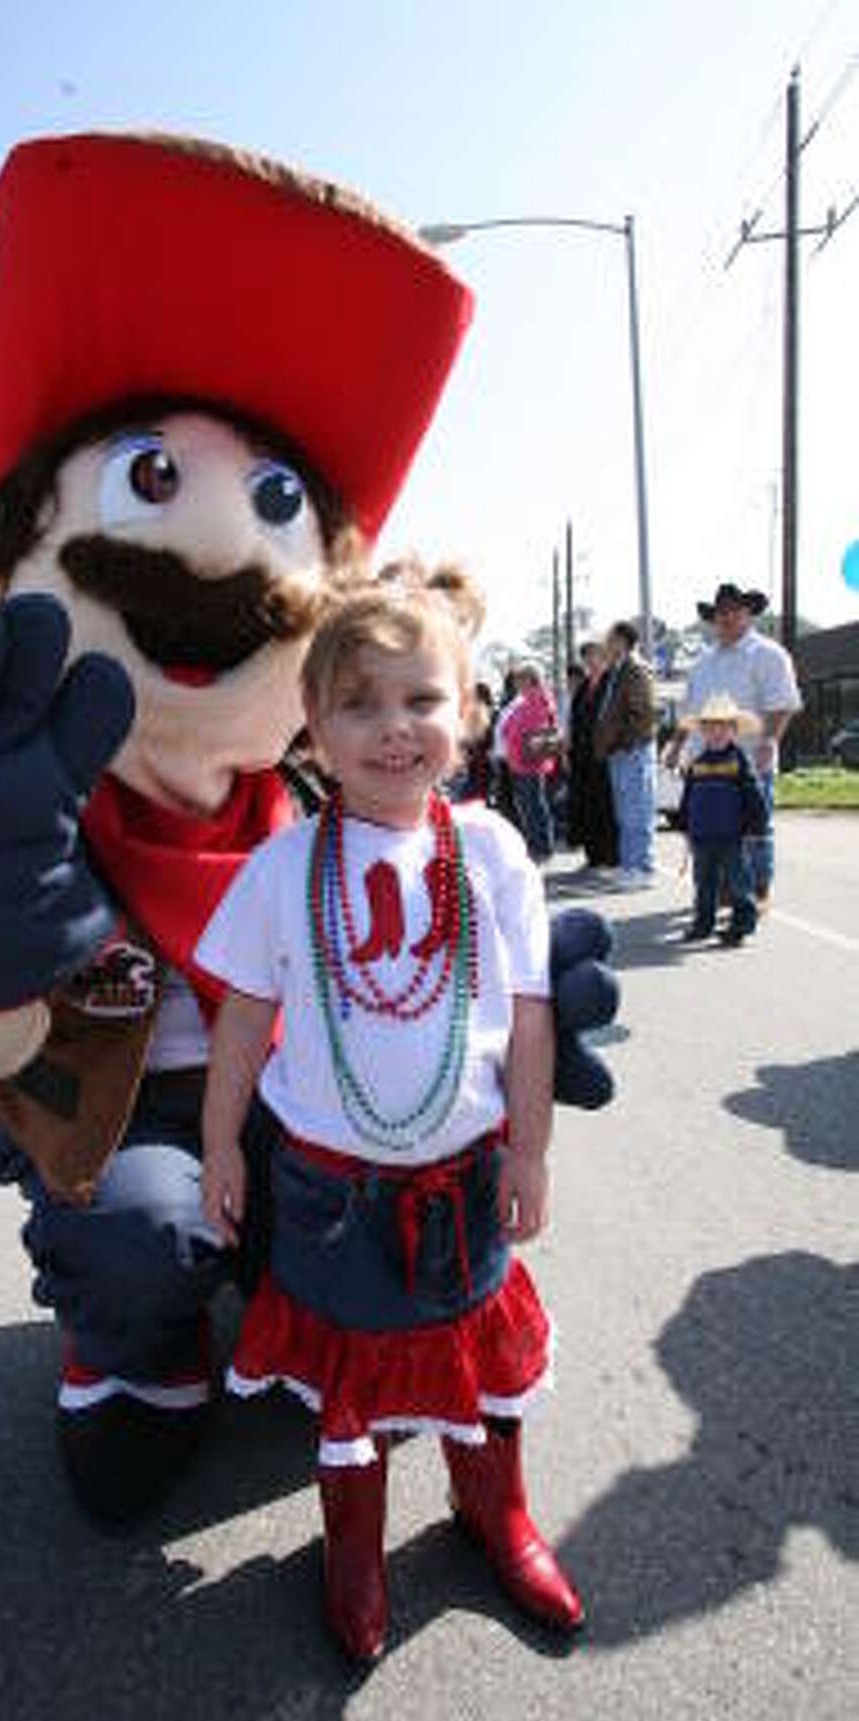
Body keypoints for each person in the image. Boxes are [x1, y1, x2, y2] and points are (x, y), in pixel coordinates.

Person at [0, 132, 618, 1531]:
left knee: (398, 1189)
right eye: (143, 482)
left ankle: (288, 1303)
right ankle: (138, 1340)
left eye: (270, 506)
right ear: (17, 566)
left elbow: (446, 950)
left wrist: (517, 1008)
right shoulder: (40, 812)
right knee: (146, 1233)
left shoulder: (328, 807)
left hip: (308, 1112)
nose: (213, 556)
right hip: (128, 1117)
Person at [196, 567, 583, 1662]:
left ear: (468, 712)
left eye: (420, 698)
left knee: (488, 1368)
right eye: (359, 704)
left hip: (465, 1174)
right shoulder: (281, 865)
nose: (394, 727)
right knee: (350, 1389)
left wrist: (532, 1149)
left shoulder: (495, 851)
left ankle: (493, 1511)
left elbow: (532, 1012)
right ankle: (353, 1552)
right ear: (312, 729)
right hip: (328, 1188)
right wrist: (223, 1142)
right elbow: (238, 1019)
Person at [677, 583, 801, 908]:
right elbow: (690, 710)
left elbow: (782, 704)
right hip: (707, 761)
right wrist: (678, 747)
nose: (727, 618)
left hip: (749, 757)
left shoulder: (768, 654)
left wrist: (771, 741)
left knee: (754, 826)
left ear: (749, 614)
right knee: (714, 829)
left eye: (734, 611)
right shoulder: (703, 662)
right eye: (720, 613)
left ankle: (758, 889)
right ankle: (723, 889)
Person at [674, 693, 769, 946]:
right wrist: (683, 822)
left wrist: (757, 824)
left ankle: (741, 924)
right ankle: (702, 924)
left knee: (738, 881)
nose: (716, 732)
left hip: (732, 834)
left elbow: (753, 794)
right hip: (702, 834)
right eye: (710, 727)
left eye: (723, 726)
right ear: (703, 731)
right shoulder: (697, 763)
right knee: (704, 882)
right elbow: (689, 796)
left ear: (733, 730)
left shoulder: (738, 761)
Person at [594, 620, 657, 887]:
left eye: (610, 639)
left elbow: (643, 712)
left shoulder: (636, 669)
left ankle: (642, 868)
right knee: (624, 812)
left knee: (636, 811)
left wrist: (626, 742)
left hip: (632, 750)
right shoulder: (620, 669)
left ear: (622, 641)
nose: (606, 644)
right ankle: (628, 864)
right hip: (619, 751)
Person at [498, 661, 560, 862]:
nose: (517, 684)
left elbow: (537, 728)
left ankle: (542, 846)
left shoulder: (539, 699)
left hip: (530, 761)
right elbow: (510, 729)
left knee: (534, 805)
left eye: (520, 679)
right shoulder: (525, 701)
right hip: (519, 760)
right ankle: (536, 844)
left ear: (530, 679)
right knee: (528, 805)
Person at [564, 639, 617, 871]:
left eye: (594, 655)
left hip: (604, 754)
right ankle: (593, 854)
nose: (590, 661)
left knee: (606, 804)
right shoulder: (583, 687)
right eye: (586, 657)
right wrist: (567, 748)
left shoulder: (612, 683)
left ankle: (610, 855)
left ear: (604, 657)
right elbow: (573, 722)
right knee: (584, 804)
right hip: (581, 754)